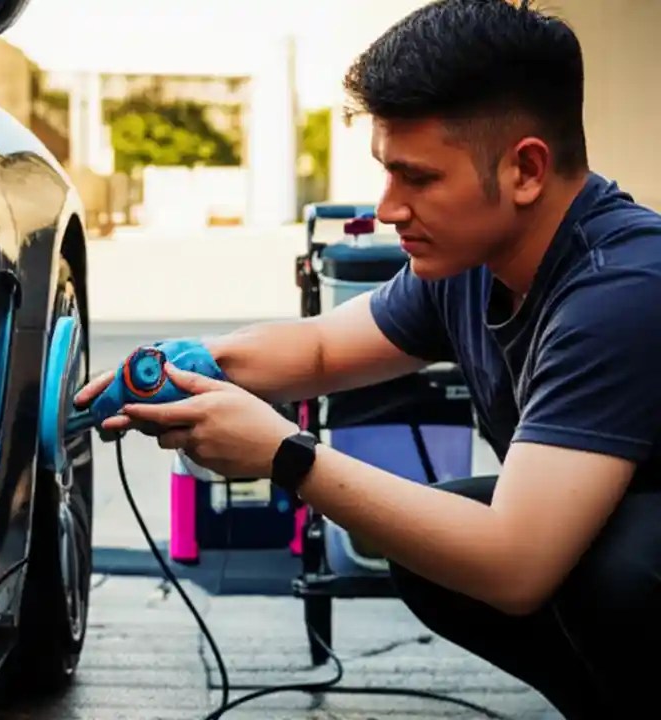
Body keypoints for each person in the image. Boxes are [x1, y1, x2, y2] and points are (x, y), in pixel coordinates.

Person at [78, 1, 661, 717]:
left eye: (416, 178)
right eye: (386, 173)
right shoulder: (474, 263)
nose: (387, 209)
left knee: (610, 565)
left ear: (526, 170)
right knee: (432, 540)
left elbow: (514, 565)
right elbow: (324, 348)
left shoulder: (620, 291)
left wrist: (283, 455)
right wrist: (189, 363)